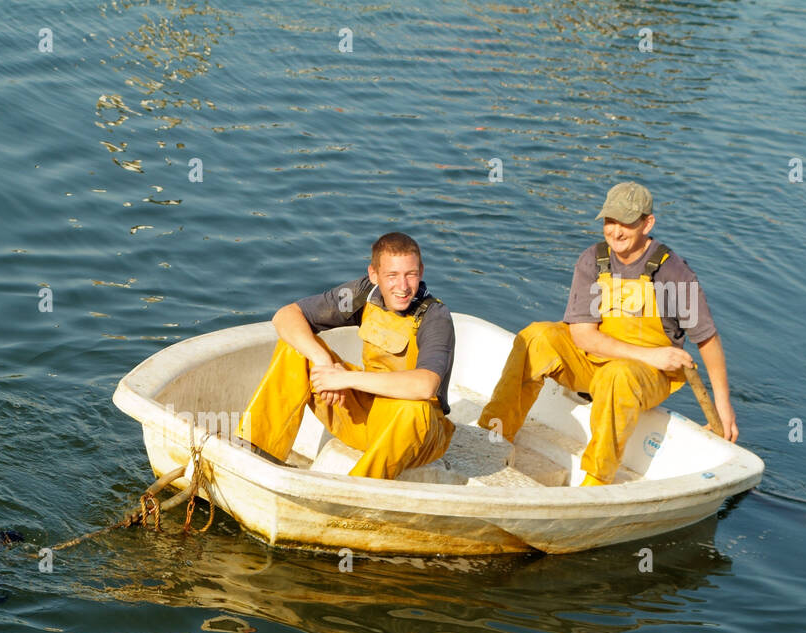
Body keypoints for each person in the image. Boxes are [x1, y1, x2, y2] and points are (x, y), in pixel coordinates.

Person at [477, 182, 738, 486]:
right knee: (536, 337)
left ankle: (597, 480)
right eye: (609, 221)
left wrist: (723, 405)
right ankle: (492, 435)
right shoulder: (594, 259)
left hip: (647, 375)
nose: (615, 231)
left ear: (647, 223)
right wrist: (648, 353)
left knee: (618, 376)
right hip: (600, 359)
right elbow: (584, 337)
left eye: (626, 222)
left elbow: (706, 338)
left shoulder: (673, 272)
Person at [235, 232, 456, 480]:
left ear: (421, 271)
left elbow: (425, 386)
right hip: (366, 417)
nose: (403, 287)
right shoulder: (363, 293)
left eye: (410, 274)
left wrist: (345, 380)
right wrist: (324, 362)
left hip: (419, 433)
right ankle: (254, 456)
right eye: (392, 275)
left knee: (413, 410)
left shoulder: (435, 316)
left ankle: (355, 492)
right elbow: (286, 316)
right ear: (374, 275)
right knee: (296, 347)